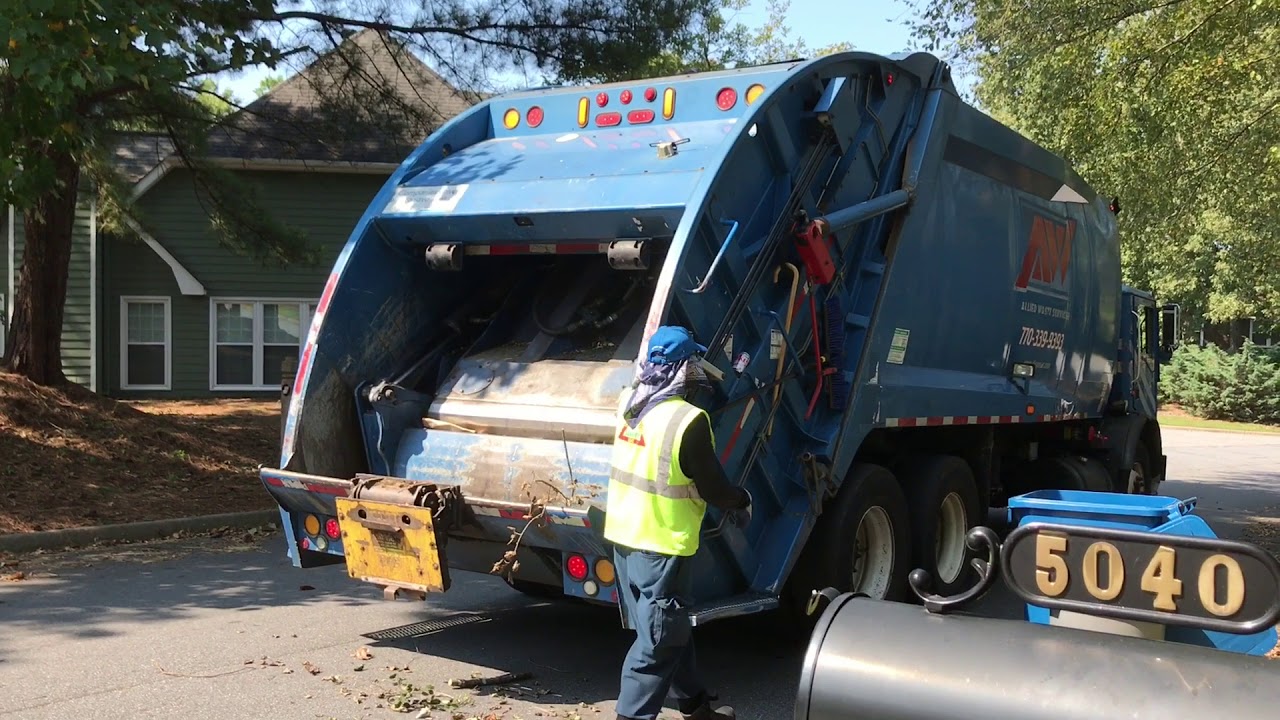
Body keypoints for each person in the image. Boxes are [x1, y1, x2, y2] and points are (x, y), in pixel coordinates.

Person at [604, 325, 753, 720]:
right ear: (684, 369)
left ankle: (697, 707)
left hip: (623, 537)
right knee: (657, 644)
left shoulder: (628, 403)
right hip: (662, 545)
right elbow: (714, 488)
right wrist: (741, 500)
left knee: (667, 627)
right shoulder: (688, 420)